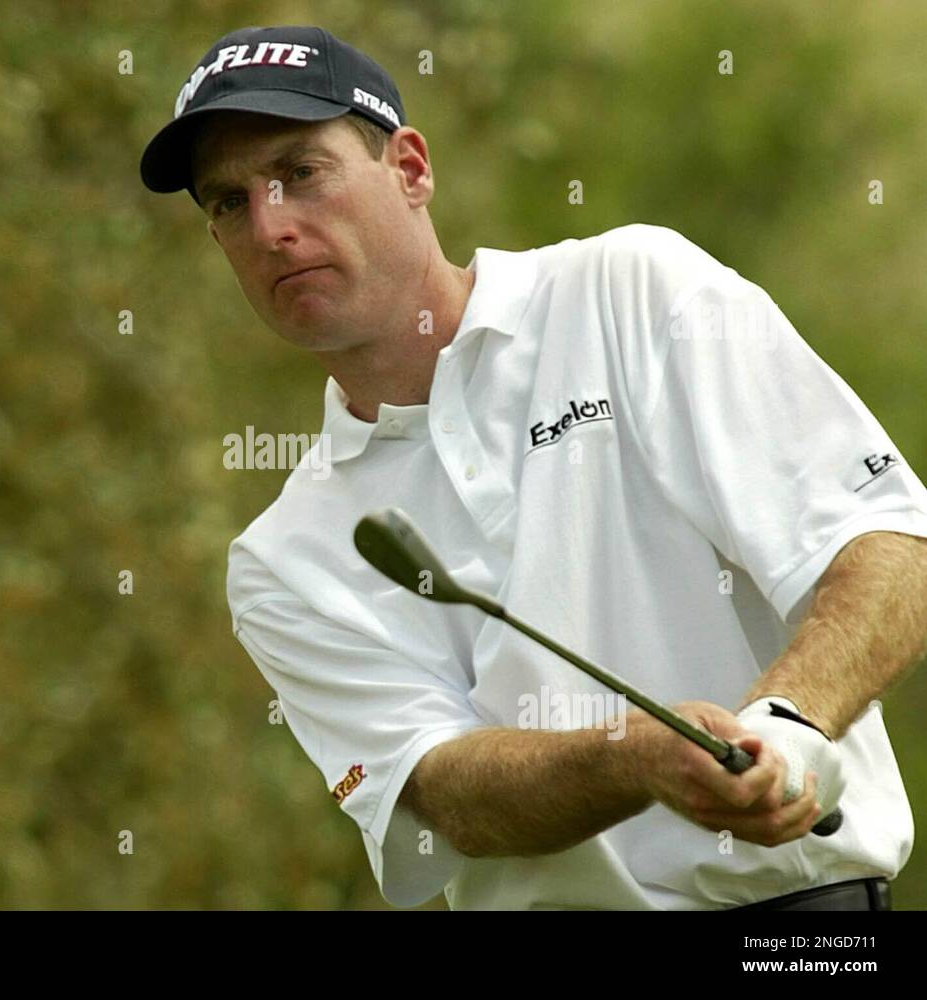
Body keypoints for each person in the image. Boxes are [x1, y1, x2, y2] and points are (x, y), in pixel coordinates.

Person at [139, 25, 927, 910]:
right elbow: (447, 796)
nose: (272, 226)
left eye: (301, 172)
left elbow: (889, 542)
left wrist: (793, 720)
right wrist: (633, 760)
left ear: (410, 170)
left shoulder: (632, 291)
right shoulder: (282, 558)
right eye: (230, 203)